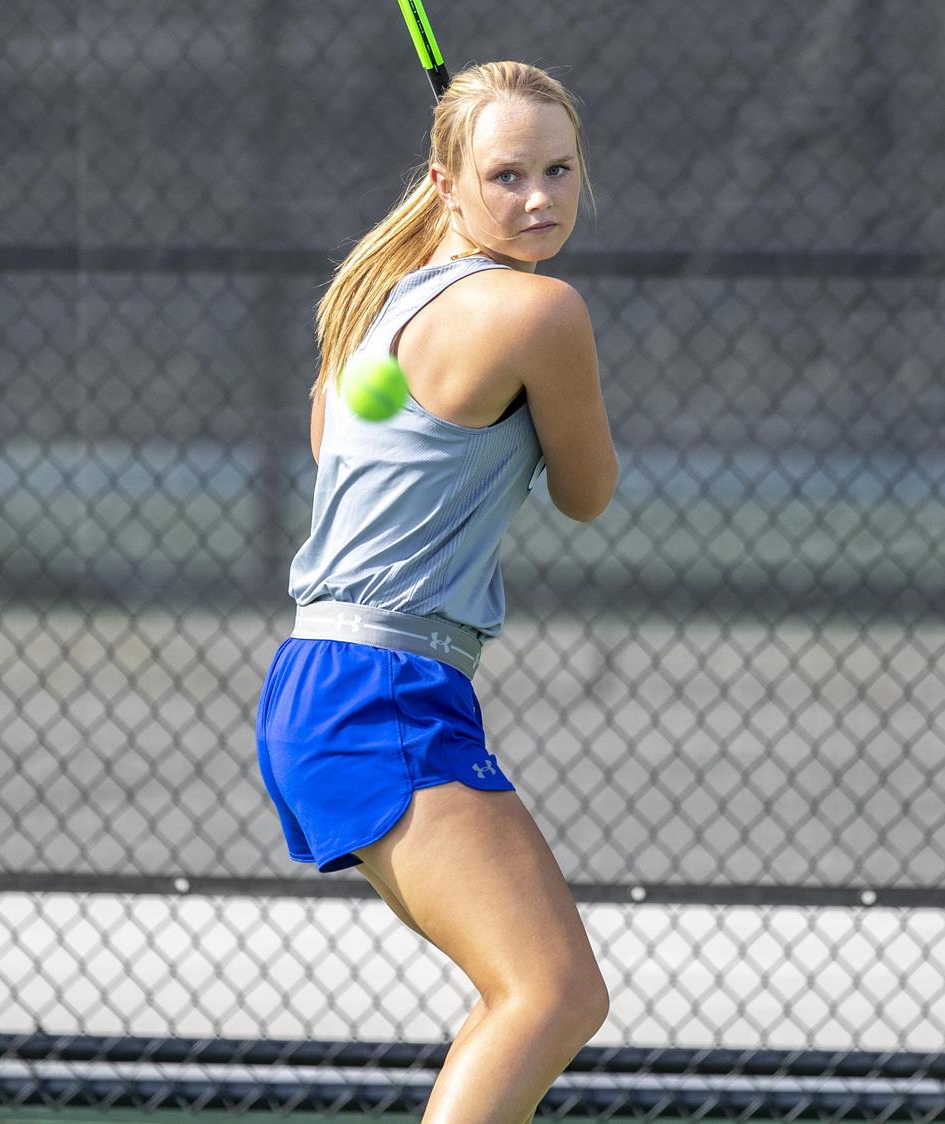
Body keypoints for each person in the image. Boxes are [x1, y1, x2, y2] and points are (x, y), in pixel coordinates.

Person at [252, 59, 618, 1124]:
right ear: (446, 181)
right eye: (505, 175)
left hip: (326, 682)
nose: (540, 197)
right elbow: (586, 494)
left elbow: (334, 442)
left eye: (557, 169)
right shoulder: (540, 310)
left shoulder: (371, 308)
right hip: (382, 690)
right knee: (547, 992)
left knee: (527, 995)